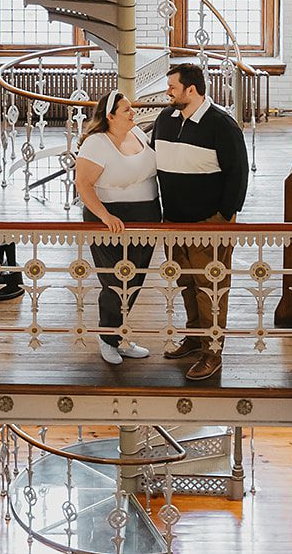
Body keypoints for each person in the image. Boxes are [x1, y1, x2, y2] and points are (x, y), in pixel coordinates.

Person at [150, 62, 249, 382]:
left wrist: (223, 217)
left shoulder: (222, 125)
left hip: (209, 223)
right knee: (187, 283)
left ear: (191, 91)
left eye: (172, 87)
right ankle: (195, 337)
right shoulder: (166, 119)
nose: (167, 92)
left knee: (211, 288)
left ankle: (212, 351)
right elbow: (152, 158)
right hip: (174, 222)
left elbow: (238, 174)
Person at [74, 90, 160, 366]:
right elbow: (84, 185)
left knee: (133, 282)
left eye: (131, 108)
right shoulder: (96, 143)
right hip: (111, 220)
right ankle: (107, 338)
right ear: (110, 116)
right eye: (126, 110)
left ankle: (119, 336)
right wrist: (105, 216)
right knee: (115, 281)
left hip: (146, 218)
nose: (133, 112)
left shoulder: (138, 135)